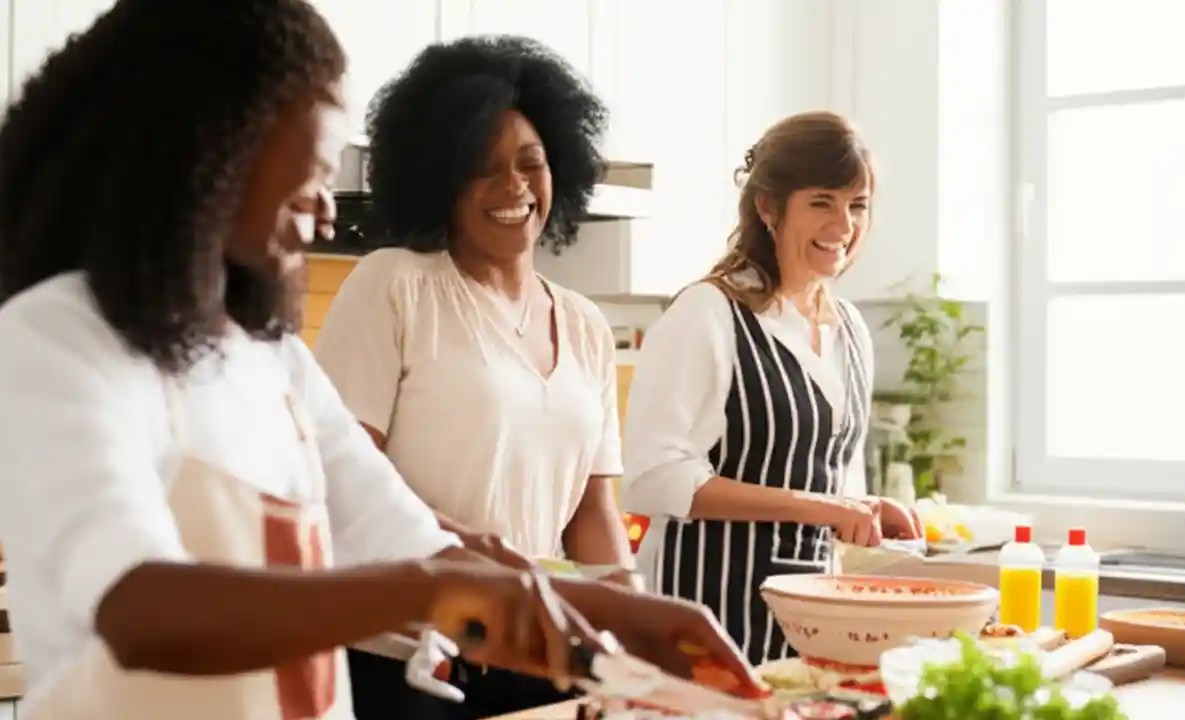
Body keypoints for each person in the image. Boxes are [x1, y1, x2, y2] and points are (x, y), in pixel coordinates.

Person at [0, 3, 755, 719]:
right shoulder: (57, 338)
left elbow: (423, 545)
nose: (329, 209)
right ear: (209, 153)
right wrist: (428, 592)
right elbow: (135, 607)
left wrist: (633, 610)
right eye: (315, 171)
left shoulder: (272, 361)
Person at [312, 35, 639, 717]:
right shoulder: (394, 286)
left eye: (531, 163)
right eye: (483, 169)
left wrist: (629, 631)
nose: (515, 187)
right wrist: (476, 566)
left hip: (540, 650)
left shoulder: (583, 324)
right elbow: (343, 482)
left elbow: (592, 513)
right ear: (439, 181)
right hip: (404, 658)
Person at [621, 111, 924, 666]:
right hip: (706, 624)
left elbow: (834, 486)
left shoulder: (850, 330)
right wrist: (819, 506)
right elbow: (651, 479)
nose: (843, 225)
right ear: (768, 207)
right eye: (821, 203)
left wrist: (866, 508)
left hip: (811, 630)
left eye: (857, 206)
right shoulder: (709, 314)